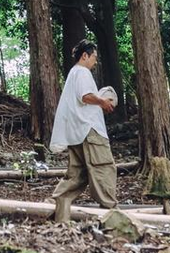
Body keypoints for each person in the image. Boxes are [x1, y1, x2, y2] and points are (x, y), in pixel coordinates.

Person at [49, 41, 118, 221]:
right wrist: (103, 101)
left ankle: (56, 213)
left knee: (76, 176)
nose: (96, 61)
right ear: (85, 56)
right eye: (94, 57)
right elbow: (85, 96)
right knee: (103, 169)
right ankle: (111, 217)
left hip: (76, 131)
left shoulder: (73, 74)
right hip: (90, 130)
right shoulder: (82, 72)